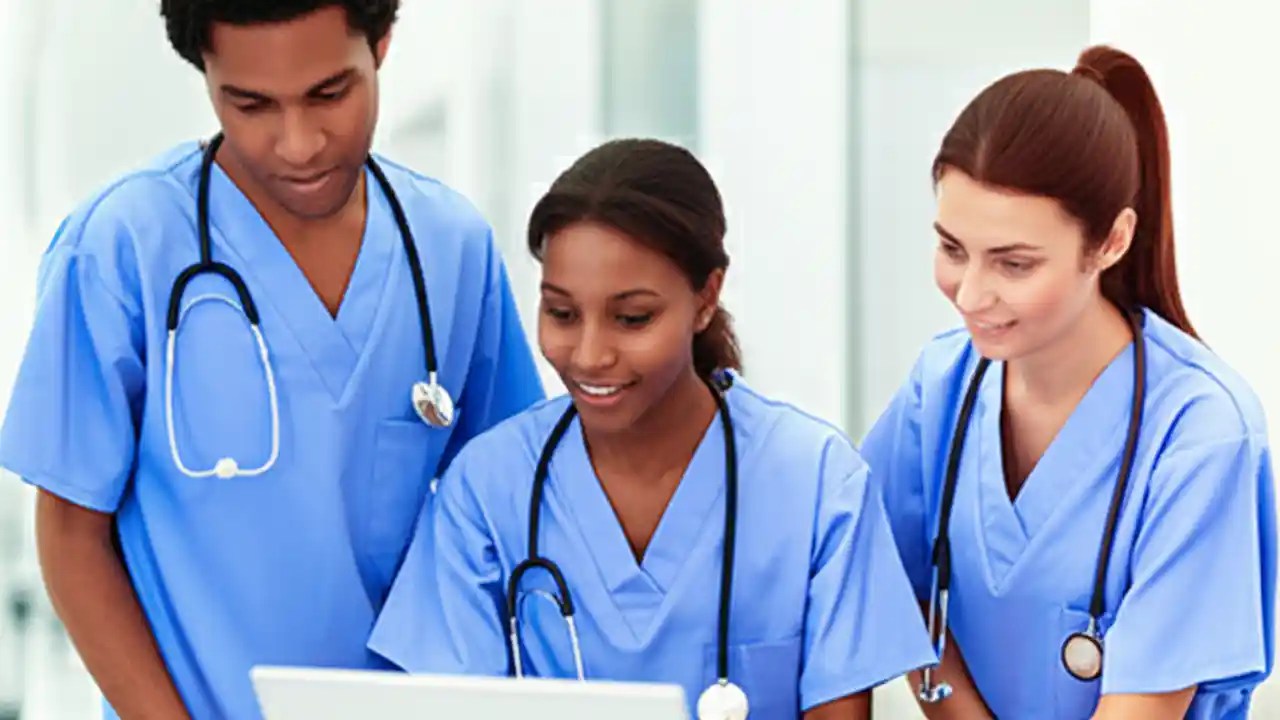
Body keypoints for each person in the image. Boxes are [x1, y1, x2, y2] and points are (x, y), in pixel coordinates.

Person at [0, 2, 544, 718]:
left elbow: (507, 515)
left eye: (330, 93)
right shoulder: (124, 246)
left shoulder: (449, 248)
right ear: (205, 75)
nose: (299, 143)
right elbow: (71, 534)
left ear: (381, 45)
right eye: (250, 104)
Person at [367, 137, 936, 720]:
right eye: (561, 314)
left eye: (632, 318)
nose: (589, 355)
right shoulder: (487, 489)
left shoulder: (816, 482)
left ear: (706, 297)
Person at [860, 45, 1276, 719]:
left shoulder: (1200, 434)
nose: (969, 295)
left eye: (1014, 264)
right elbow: (879, 573)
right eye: (952, 249)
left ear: (1111, 242)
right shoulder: (939, 387)